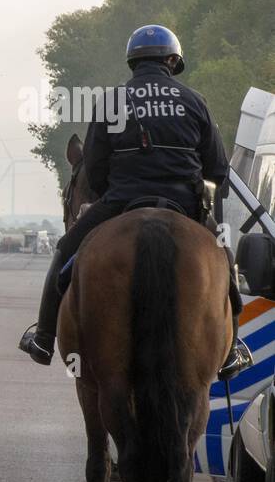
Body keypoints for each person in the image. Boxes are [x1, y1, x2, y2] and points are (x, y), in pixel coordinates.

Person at [19, 24, 252, 380]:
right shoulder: (193, 101)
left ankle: (45, 338)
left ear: (133, 62)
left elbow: (93, 169)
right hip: (184, 202)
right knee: (225, 259)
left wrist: (113, 191)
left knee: (66, 248)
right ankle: (233, 349)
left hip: (121, 199)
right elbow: (218, 170)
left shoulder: (111, 102)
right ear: (172, 61)